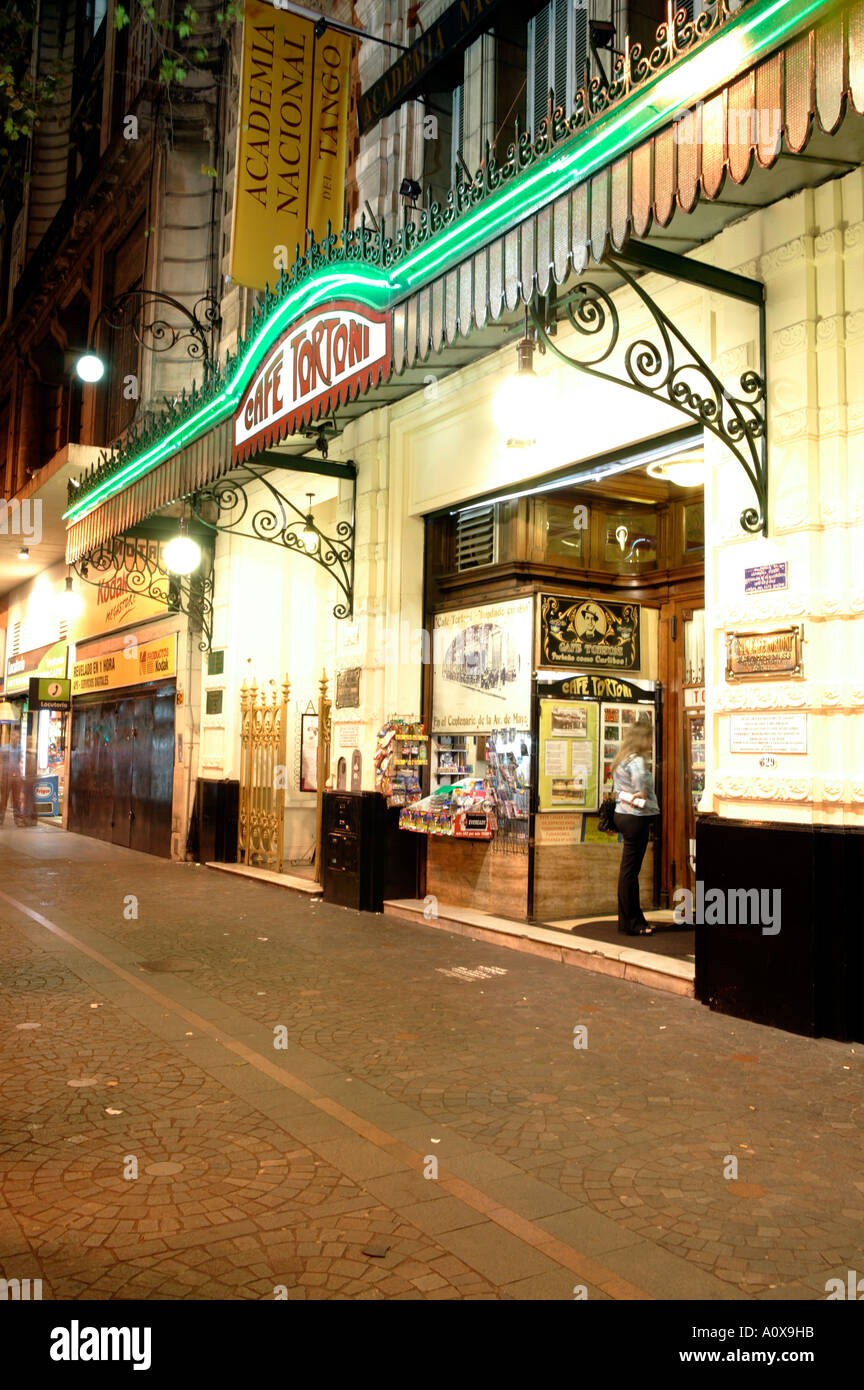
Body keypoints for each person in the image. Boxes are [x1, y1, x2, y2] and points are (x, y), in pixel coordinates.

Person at [611, 717, 659, 935]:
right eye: (649, 737)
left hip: (622, 815)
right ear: (642, 738)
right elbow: (641, 789)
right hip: (636, 817)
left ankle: (632, 918)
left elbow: (618, 790)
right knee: (630, 873)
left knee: (628, 872)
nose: (651, 742)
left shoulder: (622, 758)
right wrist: (643, 793)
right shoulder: (638, 761)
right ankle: (632, 923)